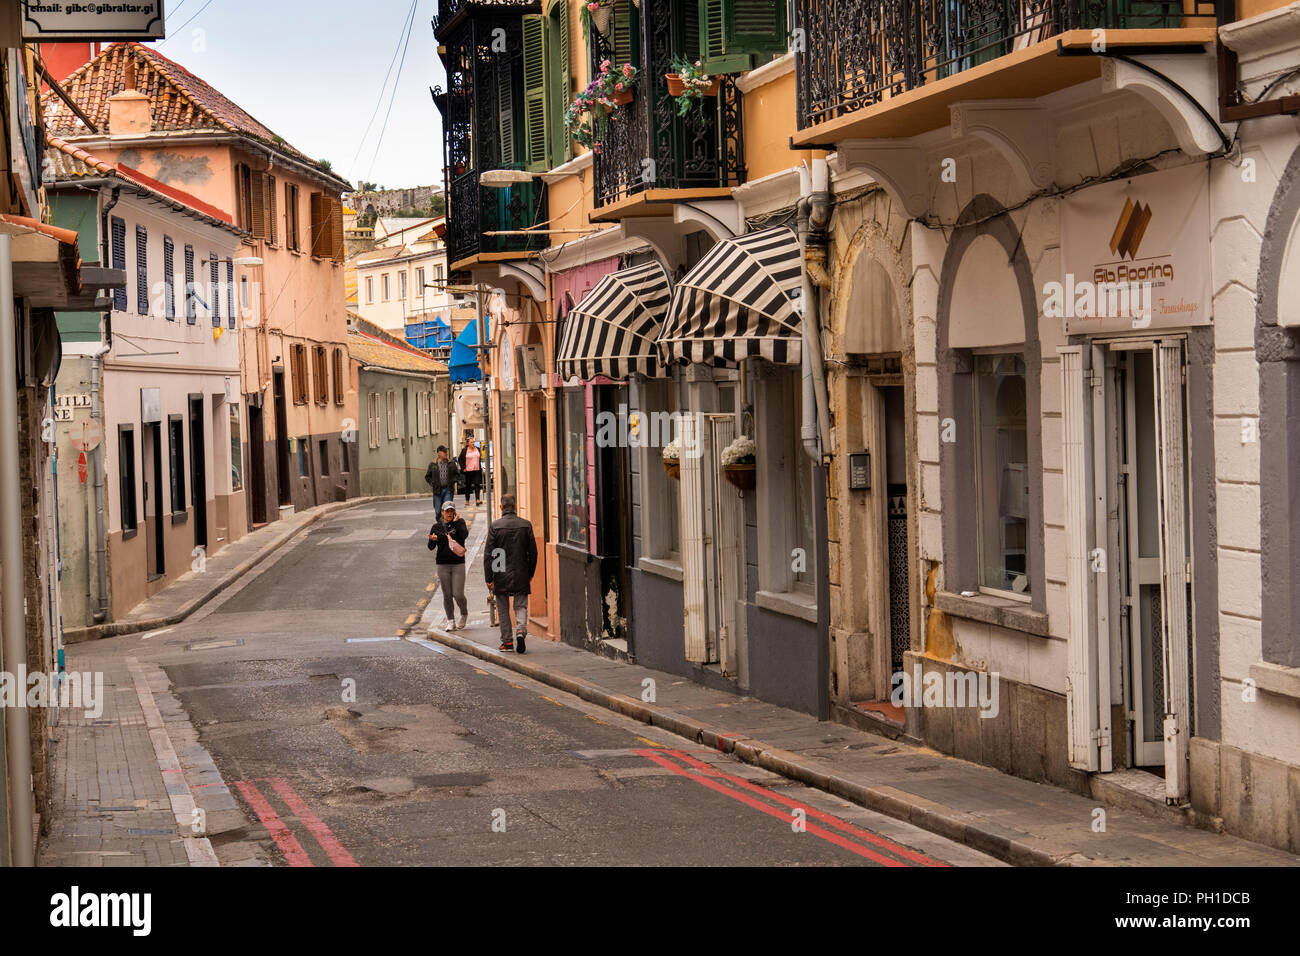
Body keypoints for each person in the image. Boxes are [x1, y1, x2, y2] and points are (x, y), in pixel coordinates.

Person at [483, 493, 537, 653]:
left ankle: (507, 642)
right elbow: (533, 553)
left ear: (501, 507)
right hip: (521, 571)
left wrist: (489, 577)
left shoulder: (495, 526)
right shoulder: (526, 525)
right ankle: (520, 630)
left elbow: (489, 554)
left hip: (500, 570)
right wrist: (530, 573)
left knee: (503, 608)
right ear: (515, 506)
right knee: (520, 605)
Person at [428, 499, 469, 630]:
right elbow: (430, 547)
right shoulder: (436, 527)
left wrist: (457, 522)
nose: (450, 514)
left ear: (455, 512)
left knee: (458, 594)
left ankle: (464, 613)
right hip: (442, 564)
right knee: (447, 594)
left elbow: (464, 535)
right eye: (447, 511)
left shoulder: (460, 523)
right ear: (442, 512)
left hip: (458, 564)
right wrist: (433, 540)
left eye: (452, 511)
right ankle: (450, 621)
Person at [424, 446, 461, 514]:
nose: (446, 453)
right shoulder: (433, 464)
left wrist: (453, 481)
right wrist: (433, 483)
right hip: (437, 491)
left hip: (448, 490)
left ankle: (445, 524)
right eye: (444, 452)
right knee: (438, 511)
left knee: (446, 510)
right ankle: (440, 524)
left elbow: (457, 475)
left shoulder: (451, 463)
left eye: (446, 452)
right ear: (439, 453)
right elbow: (427, 476)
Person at [457, 433, 483, 507]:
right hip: (468, 471)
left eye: (473, 442)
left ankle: (477, 499)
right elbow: (460, 459)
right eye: (471, 442)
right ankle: (467, 500)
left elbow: (479, 458)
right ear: (468, 443)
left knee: (477, 484)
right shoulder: (465, 450)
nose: (473, 443)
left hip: (477, 469)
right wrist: (463, 468)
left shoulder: (477, 449)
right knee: (468, 486)